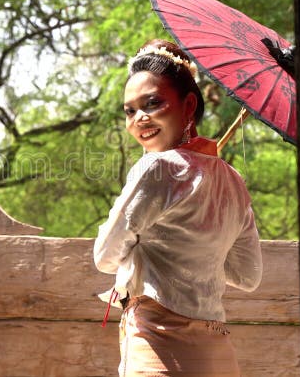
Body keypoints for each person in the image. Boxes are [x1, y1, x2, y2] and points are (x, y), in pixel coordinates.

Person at [93, 38, 263, 376]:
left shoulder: (157, 169)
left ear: (188, 106)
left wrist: (150, 247)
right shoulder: (233, 181)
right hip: (216, 355)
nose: (139, 118)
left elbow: (105, 256)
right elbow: (248, 275)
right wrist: (196, 251)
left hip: (159, 346)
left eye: (152, 103)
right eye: (130, 110)